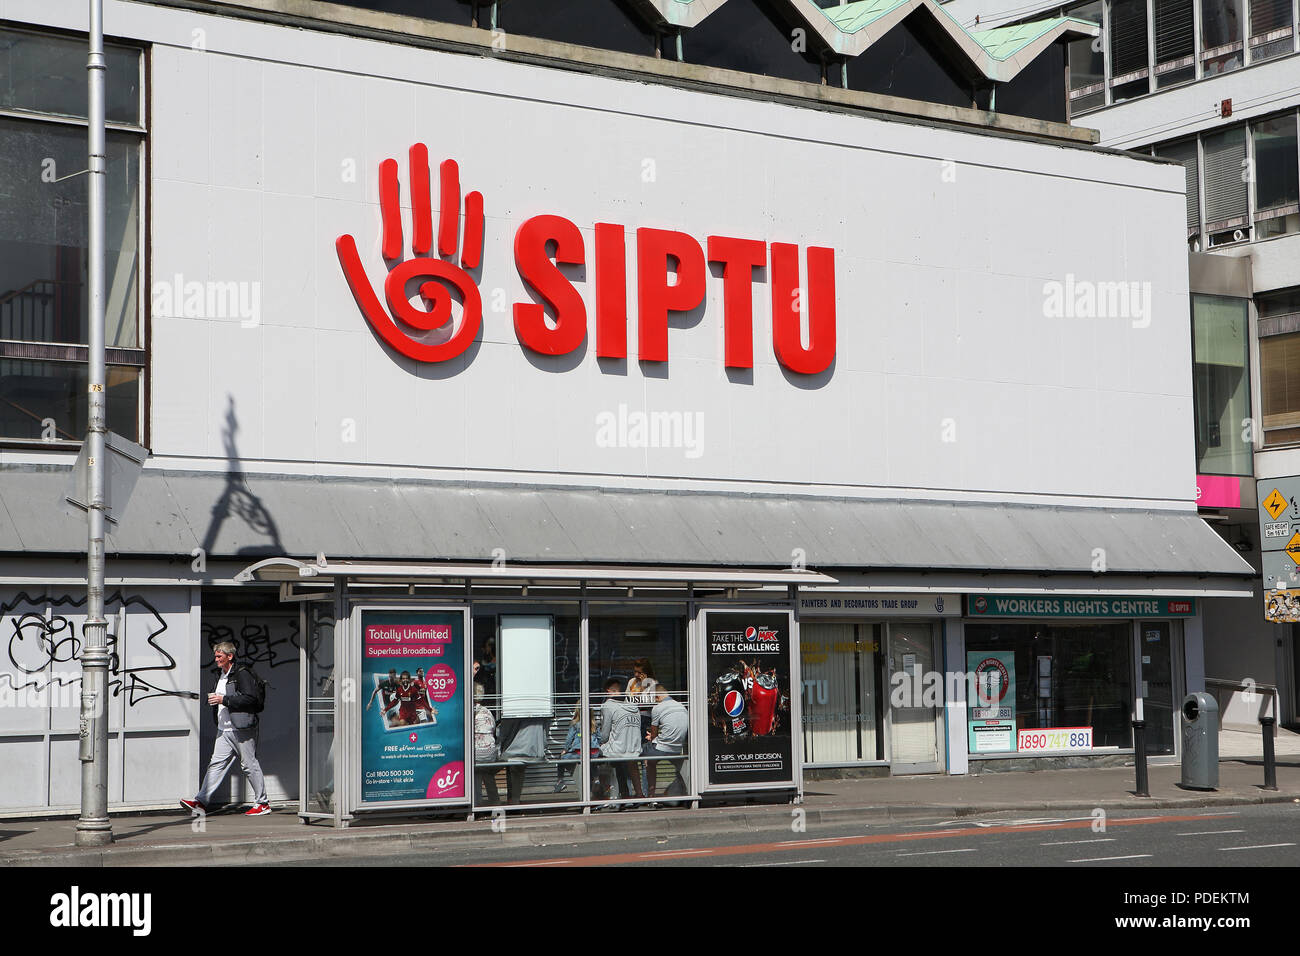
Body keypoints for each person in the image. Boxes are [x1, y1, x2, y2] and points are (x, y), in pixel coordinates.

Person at [180, 641, 270, 816]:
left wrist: (224, 700)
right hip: (224, 729)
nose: (216, 659)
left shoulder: (241, 674)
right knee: (216, 765)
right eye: (215, 656)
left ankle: (263, 803)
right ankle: (201, 801)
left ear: (230, 656)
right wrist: (215, 700)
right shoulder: (221, 675)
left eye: (219, 656)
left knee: (249, 764)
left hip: (241, 728)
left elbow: (250, 698)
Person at [597, 677, 642, 805]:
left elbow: (605, 733)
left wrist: (599, 741)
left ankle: (610, 795)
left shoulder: (608, 706)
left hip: (617, 749)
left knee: (599, 758)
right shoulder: (632, 706)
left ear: (607, 691)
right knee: (632, 764)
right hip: (634, 748)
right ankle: (639, 793)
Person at [643, 688, 689, 798]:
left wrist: (651, 737)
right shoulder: (682, 706)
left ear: (657, 697)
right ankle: (681, 791)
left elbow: (653, 734)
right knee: (679, 767)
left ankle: (651, 794)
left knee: (647, 761)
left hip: (662, 747)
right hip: (678, 748)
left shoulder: (657, 708)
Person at [627, 659, 658, 797]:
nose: (636, 675)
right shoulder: (631, 682)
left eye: (639, 672)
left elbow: (651, 702)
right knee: (633, 755)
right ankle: (638, 792)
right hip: (633, 718)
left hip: (646, 718)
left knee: (646, 758)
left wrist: (645, 686)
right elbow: (627, 699)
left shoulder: (653, 683)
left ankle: (648, 793)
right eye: (635, 671)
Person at [555, 702, 600, 793]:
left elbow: (569, 739)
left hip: (580, 753)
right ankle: (596, 778)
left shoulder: (575, 724)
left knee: (560, 759)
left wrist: (565, 750)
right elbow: (599, 738)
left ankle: (560, 781)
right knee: (592, 762)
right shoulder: (595, 724)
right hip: (594, 752)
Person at [472, 683, 500, 805]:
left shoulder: (469, 711)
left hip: (476, 752)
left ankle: (476, 802)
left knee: (474, 773)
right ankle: (495, 801)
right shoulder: (487, 712)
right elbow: (493, 729)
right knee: (487, 773)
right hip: (490, 752)